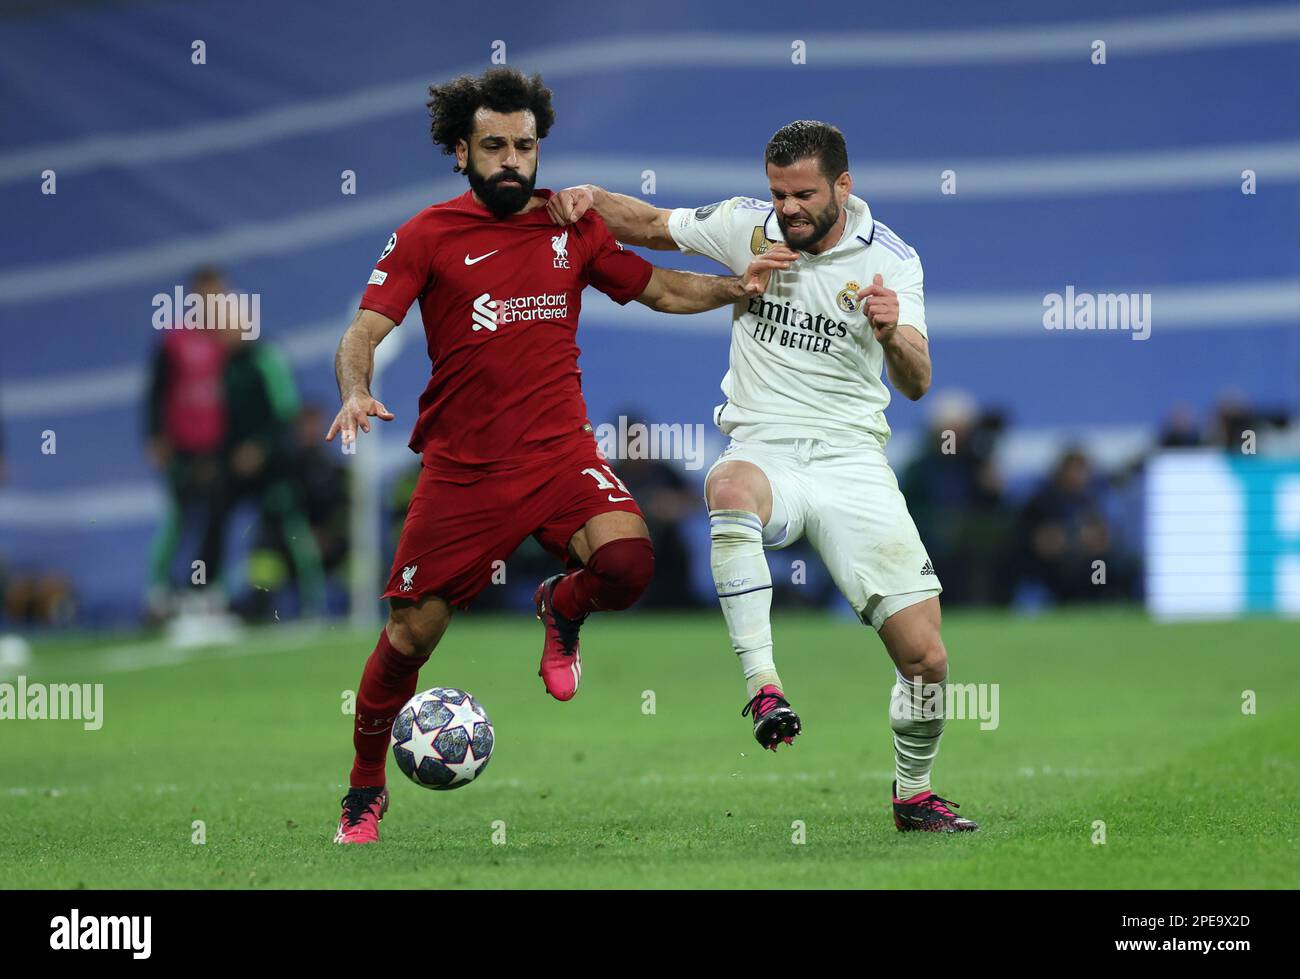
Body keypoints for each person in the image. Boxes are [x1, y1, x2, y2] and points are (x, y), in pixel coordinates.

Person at [325, 68, 786, 844]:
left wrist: (737, 287)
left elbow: (660, 290)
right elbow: (363, 331)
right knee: (410, 638)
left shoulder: (571, 226)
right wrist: (353, 389)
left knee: (631, 564)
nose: (512, 160)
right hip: (464, 470)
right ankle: (364, 789)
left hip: (558, 453)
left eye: (525, 146)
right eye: (494, 146)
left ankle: (560, 605)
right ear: (461, 152)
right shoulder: (426, 234)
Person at [549, 120, 980, 832]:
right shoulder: (747, 227)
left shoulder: (893, 261)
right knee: (728, 487)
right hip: (765, 448)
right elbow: (656, 226)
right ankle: (764, 687)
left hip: (850, 463)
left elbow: (917, 381)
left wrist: (890, 330)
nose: (789, 209)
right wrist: (590, 197)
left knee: (928, 659)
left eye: (805, 194)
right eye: (779, 193)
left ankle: (914, 793)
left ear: (844, 185)